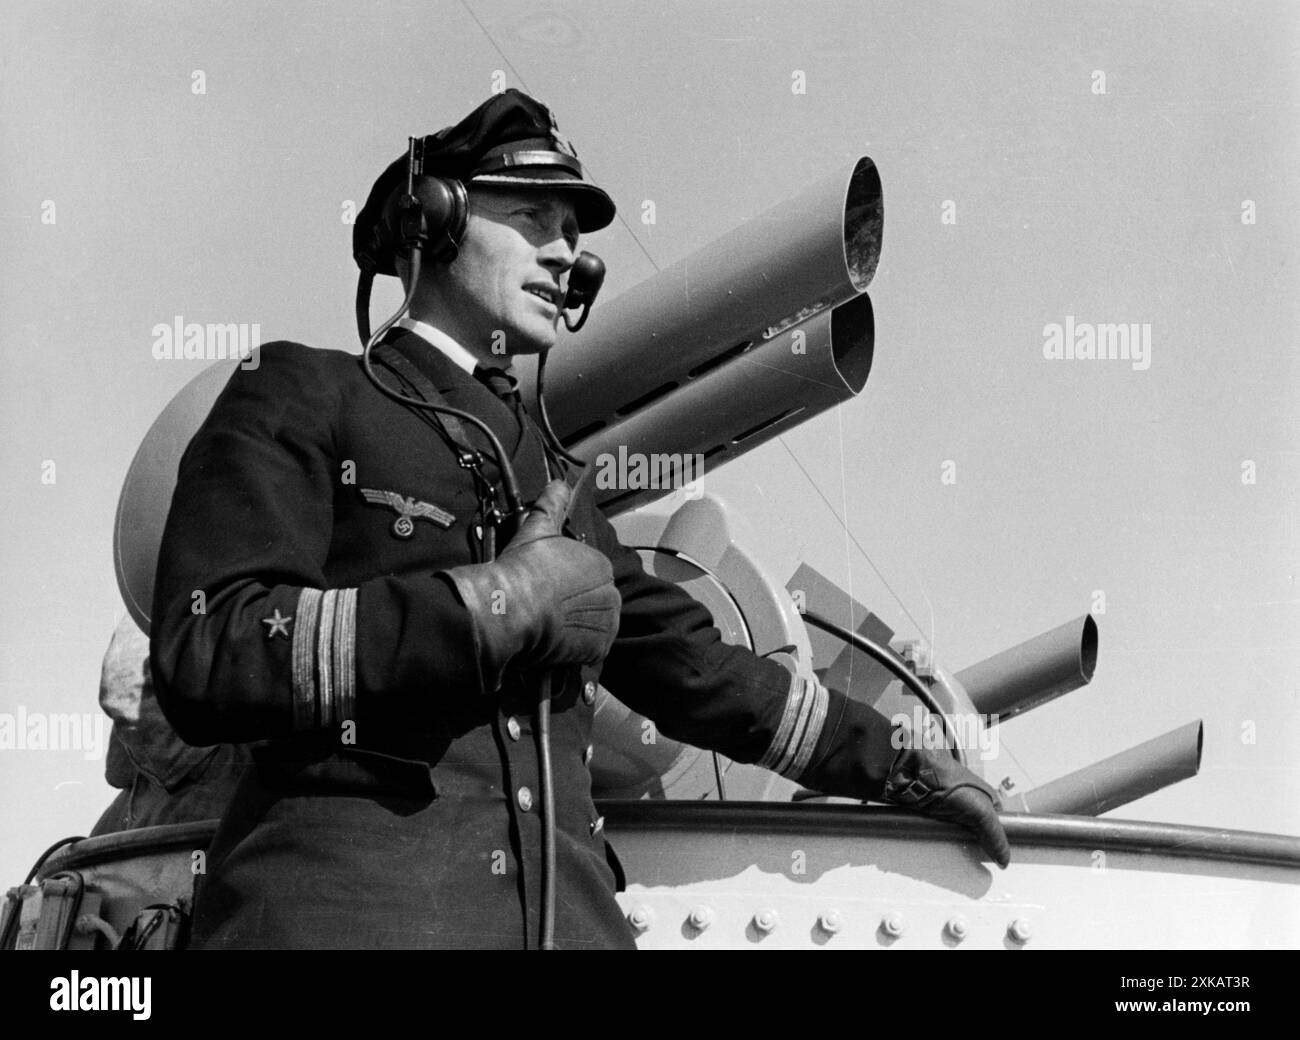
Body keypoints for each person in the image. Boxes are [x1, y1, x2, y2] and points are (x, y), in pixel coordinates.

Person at [149, 89, 1009, 950]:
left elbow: (693, 668)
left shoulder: (547, 472)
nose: (566, 254)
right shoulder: (303, 390)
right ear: (433, 222)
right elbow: (209, 648)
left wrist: (896, 763)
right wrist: (490, 606)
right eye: (532, 216)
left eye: (574, 233)